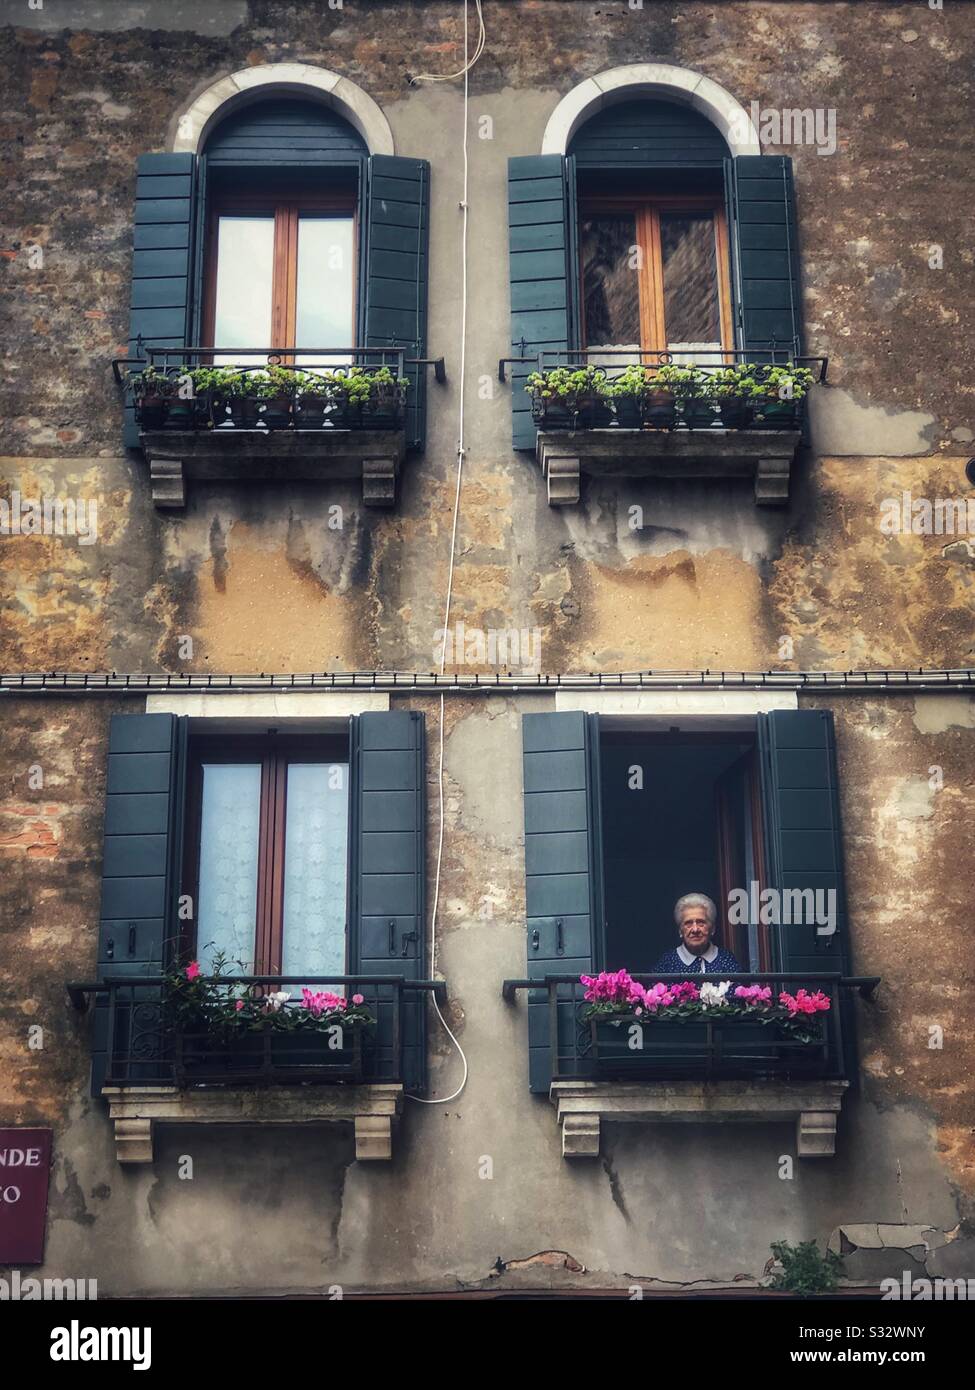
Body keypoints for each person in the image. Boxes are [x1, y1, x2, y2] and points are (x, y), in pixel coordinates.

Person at [652, 893, 742, 974]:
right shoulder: (667, 963)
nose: (695, 929)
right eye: (688, 923)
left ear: (713, 929)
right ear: (680, 930)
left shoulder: (726, 960)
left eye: (701, 922)